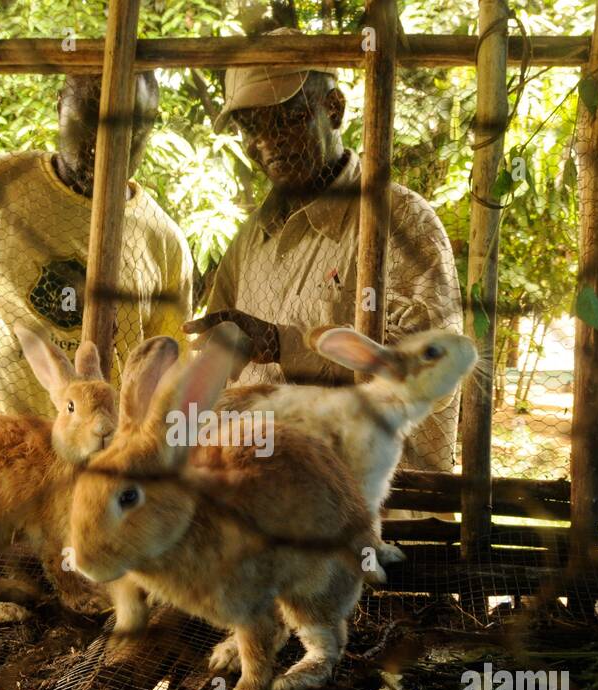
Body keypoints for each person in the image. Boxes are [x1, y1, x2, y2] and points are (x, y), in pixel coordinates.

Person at [188, 29, 464, 471]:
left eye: (285, 119)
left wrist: (285, 344)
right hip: (269, 501)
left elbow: (434, 373)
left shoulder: (399, 220)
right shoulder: (252, 239)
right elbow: (214, 367)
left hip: (374, 506)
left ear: (332, 109)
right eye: (251, 127)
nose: (267, 140)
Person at [0, 71, 193, 417]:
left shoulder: (164, 241)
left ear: (150, 126)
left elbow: (171, 380)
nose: (104, 144)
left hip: (100, 455)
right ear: (60, 108)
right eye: (89, 121)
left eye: (129, 127)